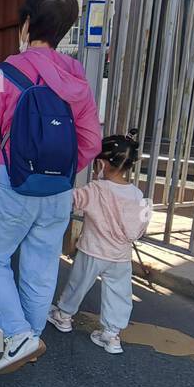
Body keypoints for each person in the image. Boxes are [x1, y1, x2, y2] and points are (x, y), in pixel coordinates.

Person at [0, 0, 102, 374]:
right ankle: (32, 337)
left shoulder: (4, 74)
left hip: (12, 180)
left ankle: (19, 336)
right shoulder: (77, 79)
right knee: (40, 264)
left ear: (26, 25)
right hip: (58, 188)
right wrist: (61, 172)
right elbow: (90, 141)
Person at [48, 132, 152, 354]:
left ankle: (64, 316)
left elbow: (70, 201)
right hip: (121, 256)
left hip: (92, 251)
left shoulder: (96, 190)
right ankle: (112, 335)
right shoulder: (138, 195)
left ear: (101, 164)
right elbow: (140, 230)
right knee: (118, 293)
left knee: (78, 284)